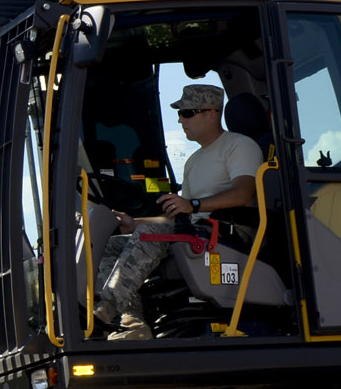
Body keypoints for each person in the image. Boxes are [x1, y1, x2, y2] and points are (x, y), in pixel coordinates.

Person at [92, 83, 264, 338]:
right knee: (110, 244)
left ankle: (105, 309)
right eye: (179, 114)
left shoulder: (240, 146)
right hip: (197, 232)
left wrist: (194, 204)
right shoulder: (194, 161)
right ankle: (132, 323)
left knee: (152, 234)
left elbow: (244, 193)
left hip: (228, 233)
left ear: (212, 113)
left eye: (187, 113)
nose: (181, 120)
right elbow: (179, 217)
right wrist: (134, 223)